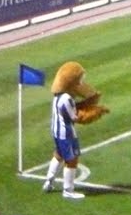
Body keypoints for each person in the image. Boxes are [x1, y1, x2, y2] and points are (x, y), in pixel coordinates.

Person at [41, 62, 98, 200]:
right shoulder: (67, 99)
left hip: (57, 131)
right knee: (72, 160)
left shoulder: (58, 97)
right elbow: (74, 117)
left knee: (59, 154)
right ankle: (68, 190)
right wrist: (92, 113)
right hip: (65, 133)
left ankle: (48, 182)